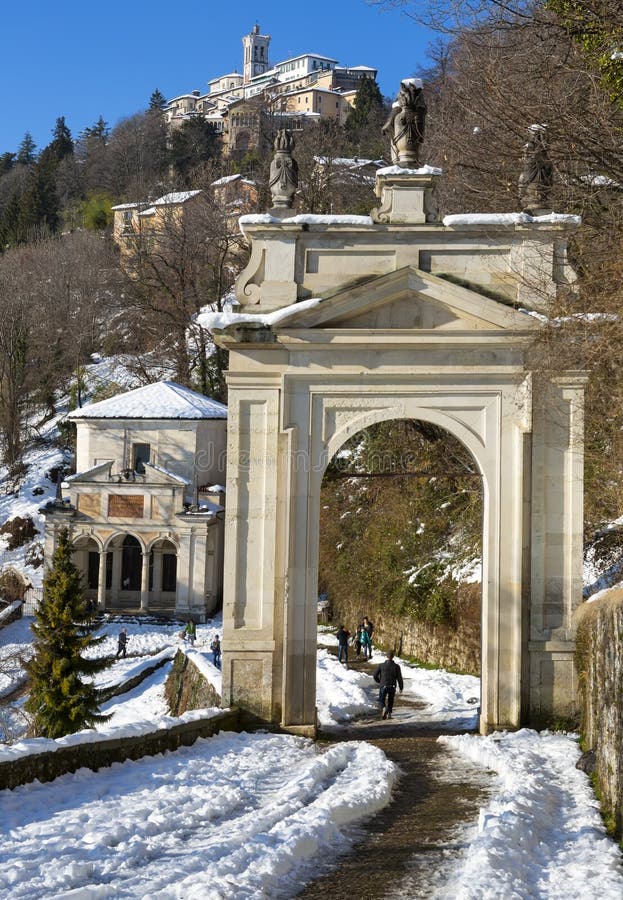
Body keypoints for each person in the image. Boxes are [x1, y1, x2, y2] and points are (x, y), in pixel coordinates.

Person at [373, 651, 404, 719]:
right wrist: (401, 687)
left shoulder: (381, 665)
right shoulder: (396, 666)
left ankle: (384, 708)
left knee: (381, 700)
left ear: (386, 656)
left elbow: (375, 675)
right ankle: (389, 714)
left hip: (383, 685)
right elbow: (399, 678)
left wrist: (379, 681)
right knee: (391, 700)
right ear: (393, 657)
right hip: (392, 686)